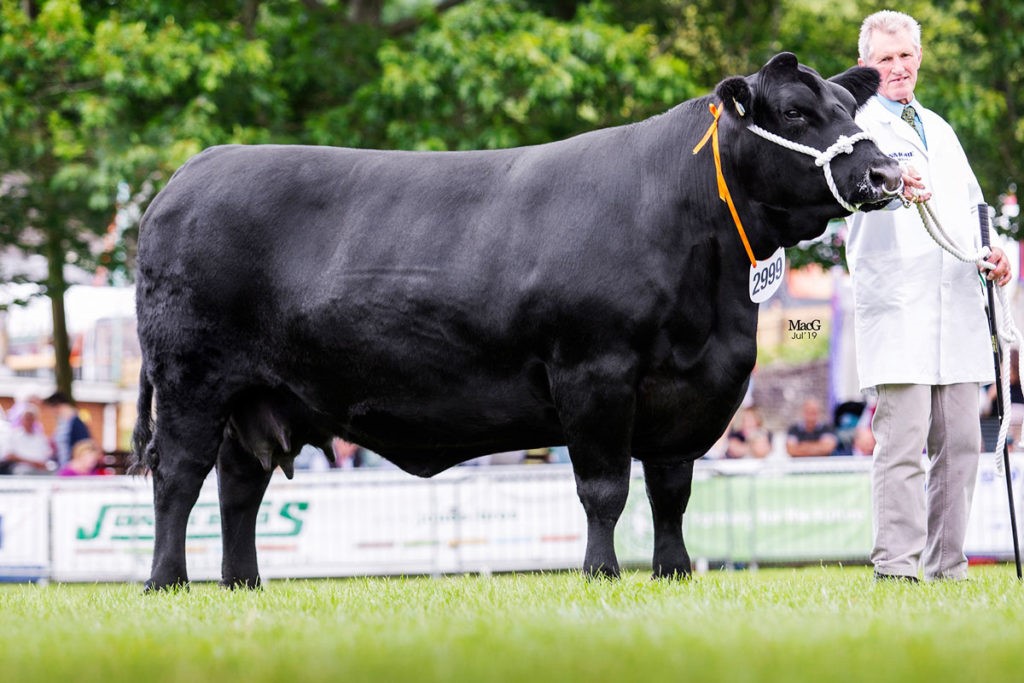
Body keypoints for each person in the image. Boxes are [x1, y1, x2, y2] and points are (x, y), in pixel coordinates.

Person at [846, 11, 1013, 582]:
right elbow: (853, 194)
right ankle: (896, 568)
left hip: (958, 308)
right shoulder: (854, 126)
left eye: (905, 56)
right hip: (898, 309)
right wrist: (893, 186)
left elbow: (974, 208)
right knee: (904, 445)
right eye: (885, 59)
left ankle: (948, 567)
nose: (897, 68)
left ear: (919, 58)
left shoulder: (939, 129)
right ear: (867, 66)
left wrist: (996, 253)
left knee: (963, 444)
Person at [0, 406, 55, 474]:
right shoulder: (13, 435)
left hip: (41, 469)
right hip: (21, 469)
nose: (29, 421)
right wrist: (32, 463)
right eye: (27, 419)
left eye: (31, 419)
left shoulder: (41, 438)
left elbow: (47, 455)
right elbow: (9, 455)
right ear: (22, 420)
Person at [42, 392, 92, 467]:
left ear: (57, 405)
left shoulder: (76, 422)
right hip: (63, 465)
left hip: (73, 466)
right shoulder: (63, 422)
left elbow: (83, 444)